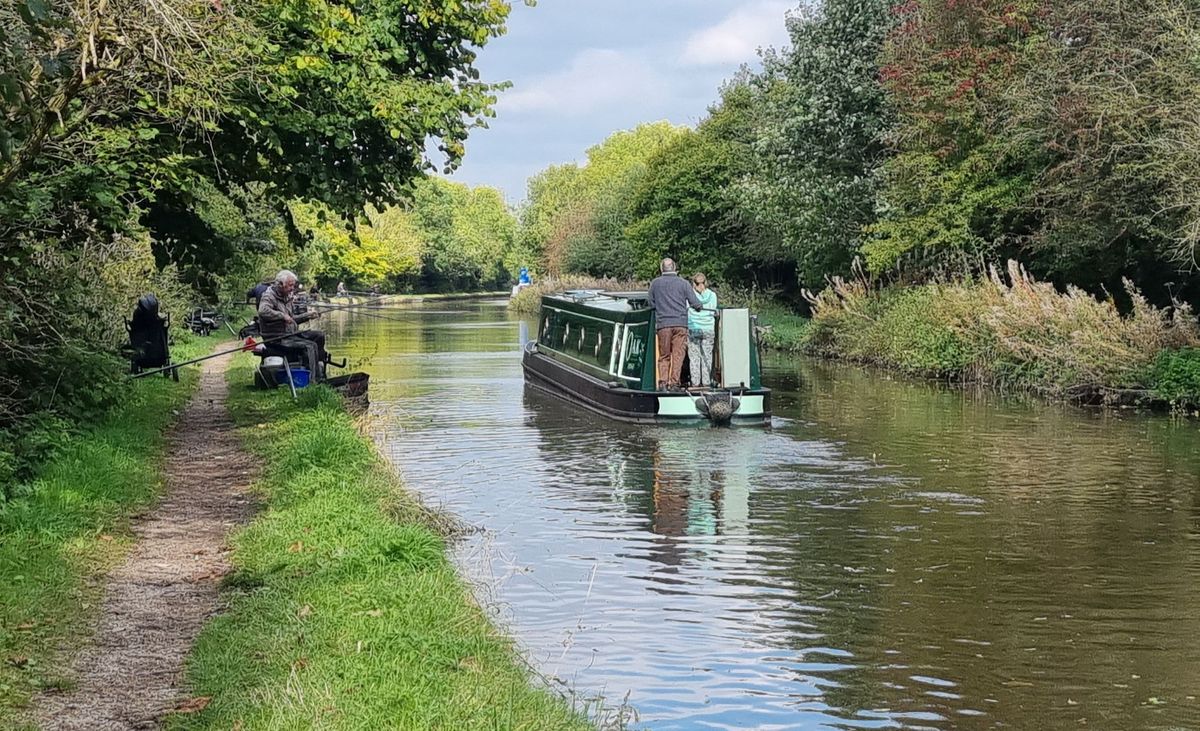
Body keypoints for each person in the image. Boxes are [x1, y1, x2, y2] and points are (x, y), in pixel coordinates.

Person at [258, 270, 327, 380]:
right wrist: (282, 315)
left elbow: (291, 319)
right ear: (280, 284)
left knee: (319, 336)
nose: (292, 288)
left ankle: (319, 369)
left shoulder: (286, 297)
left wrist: (307, 315)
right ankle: (314, 381)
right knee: (310, 346)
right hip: (277, 337)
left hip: (290, 334)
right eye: (290, 285)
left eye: (293, 285)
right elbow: (263, 311)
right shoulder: (269, 296)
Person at [647, 257, 702, 390]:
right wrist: (699, 306)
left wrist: (661, 308)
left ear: (661, 269)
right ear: (675, 268)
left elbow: (650, 303)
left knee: (664, 355)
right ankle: (674, 384)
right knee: (678, 355)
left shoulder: (655, 283)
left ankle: (663, 384)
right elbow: (695, 303)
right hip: (680, 324)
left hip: (663, 324)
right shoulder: (683, 283)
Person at [687, 273, 718, 387]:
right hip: (708, 328)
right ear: (706, 282)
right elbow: (713, 311)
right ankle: (706, 382)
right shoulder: (713, 295)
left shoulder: (690, 295)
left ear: (693, 284)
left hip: (693, 328)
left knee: (694, 358)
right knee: (707, 356)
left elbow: (686, 309)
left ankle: (695, 383)